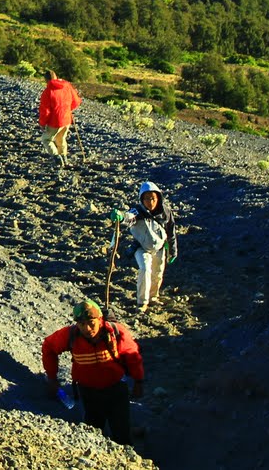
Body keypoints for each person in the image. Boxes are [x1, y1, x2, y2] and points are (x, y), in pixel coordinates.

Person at [42, 299, 145, 446]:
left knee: (121, 431)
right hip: (88, 392)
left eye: (91, 323)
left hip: (116, 390)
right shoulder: (71, 335)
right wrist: (52, 377)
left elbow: (132, 356)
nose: (87, 328)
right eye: (82, 324)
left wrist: (138, 381)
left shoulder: (116, 333)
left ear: (100, 319)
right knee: (94, 431)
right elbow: (49, 347)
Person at [113, 181, 178, 312]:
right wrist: (121, 217)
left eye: (153, 198)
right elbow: (129, 217)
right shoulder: (138, 211)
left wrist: (172, 251)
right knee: (145, 269)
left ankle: (153, 297)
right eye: (146, 198)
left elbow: (171, 232)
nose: (150, 201)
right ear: (141, 199)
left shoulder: (165, 212)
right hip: (142, 247)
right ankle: (142, 301)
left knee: (157, 273)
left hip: (159, 247)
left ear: (158, 198)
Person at [38, 70, 81, 169]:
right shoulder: (67, 86)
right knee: (61, 139)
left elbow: (45, 111)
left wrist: (42, 123)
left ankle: (57, 158)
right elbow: (76, 101)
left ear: (46, 80)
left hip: (55, 121)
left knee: (46, 139)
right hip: (66, 119)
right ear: (56, 77)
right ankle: (64, 158)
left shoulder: (47, 92)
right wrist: (68, 109)